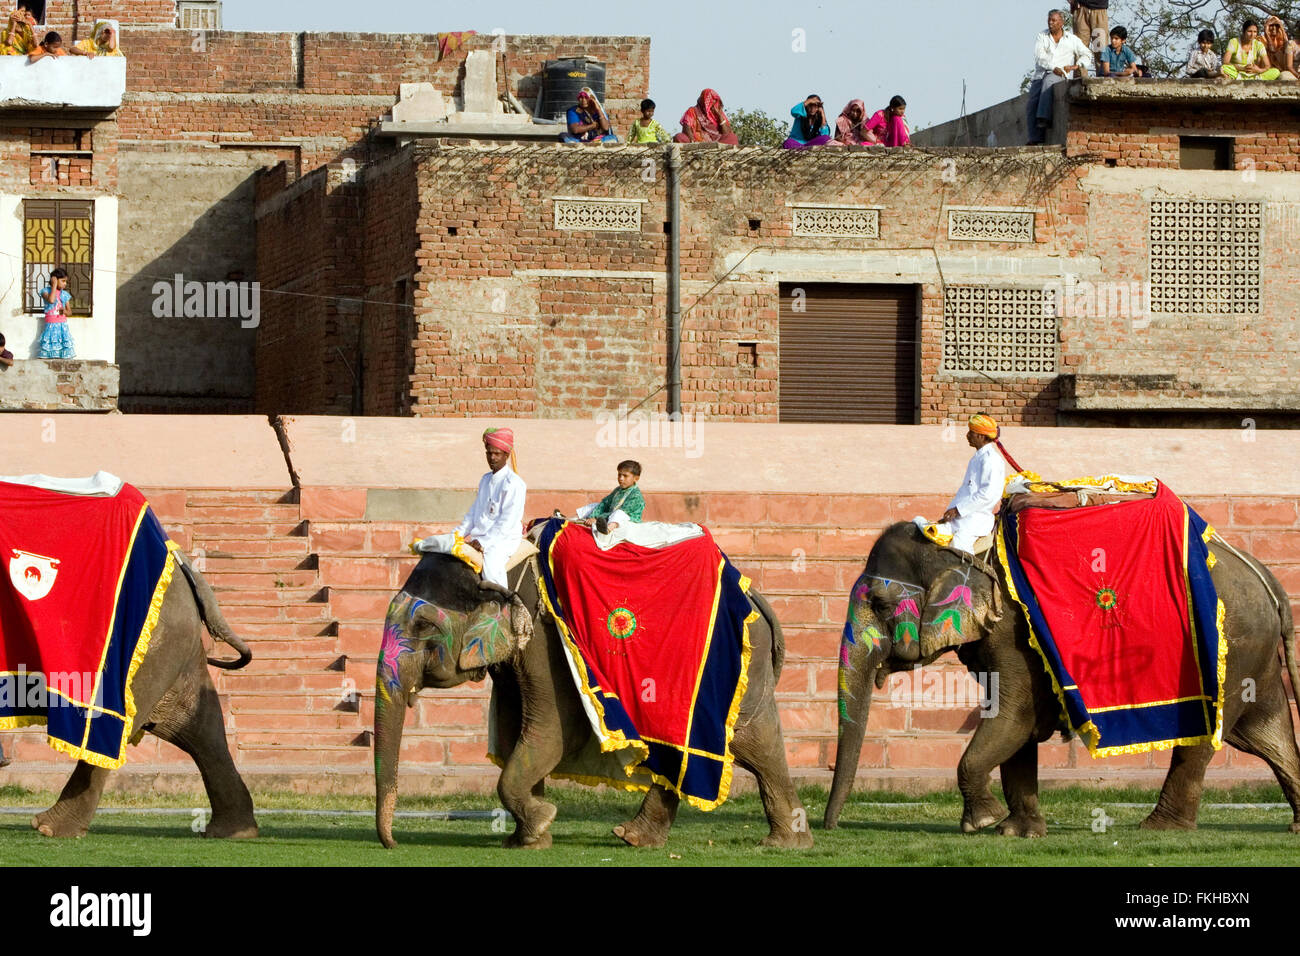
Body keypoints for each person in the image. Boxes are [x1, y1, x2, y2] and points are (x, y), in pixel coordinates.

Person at [928, 414, 1010, 554]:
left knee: (957, 547)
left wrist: (958, 510)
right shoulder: (978, 458)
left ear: (982, 437)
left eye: (971, 432)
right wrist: (952, 512)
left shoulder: (991, 460)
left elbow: (988, 494)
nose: (967, 435)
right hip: (963, 516)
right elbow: (967, 491)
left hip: (976, 519)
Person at [1026, 10, 1093, 145]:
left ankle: (1044, 118)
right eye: (1049, 20)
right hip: (1042, 73)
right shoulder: (1042, 36)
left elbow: (1087, 54)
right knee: (1031, 103)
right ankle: (1035, 138)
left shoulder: (1071, 39)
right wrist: (1053, 67)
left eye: (1054, 20)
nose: (1051, 23)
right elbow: (1039, 57)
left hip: (1059, 75)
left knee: (1048, 82)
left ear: (1062, 22)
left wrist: (1077, 66)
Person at [576, 460, 644, 533]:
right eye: (619, 475)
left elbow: (619, 512)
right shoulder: (618, 490)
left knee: (619, 513)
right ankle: (573, 519)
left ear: (636, 478)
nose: (621, 478)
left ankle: (607, 530)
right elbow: (605, 503)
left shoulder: (635, 495)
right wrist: (592, 517)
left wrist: (597, 519)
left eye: (625, 476)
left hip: (627, 521)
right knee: (595, 505)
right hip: (610, 516)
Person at [673, 89, 738, 144]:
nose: (712, 103)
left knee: (732, 137)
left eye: (714, 100)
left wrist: (720, 117)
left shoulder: (717, 113)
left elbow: (726, 133)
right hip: (697, 142)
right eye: (709, 100)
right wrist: (693, 143)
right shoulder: (692, 111)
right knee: (679, 137)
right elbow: (686, 128)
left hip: (717, 142)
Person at [37, 268, 75, 359]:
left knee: (62, 349)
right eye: (63, 281)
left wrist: (64, 311)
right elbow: (51, 300)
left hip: (62, 325)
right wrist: (54, 285)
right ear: (54, 280)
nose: (65, 284)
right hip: (51, 325)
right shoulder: (45, 291)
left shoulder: (64, 294)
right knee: (51, 347)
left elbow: (70, 312)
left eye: (66, 281)